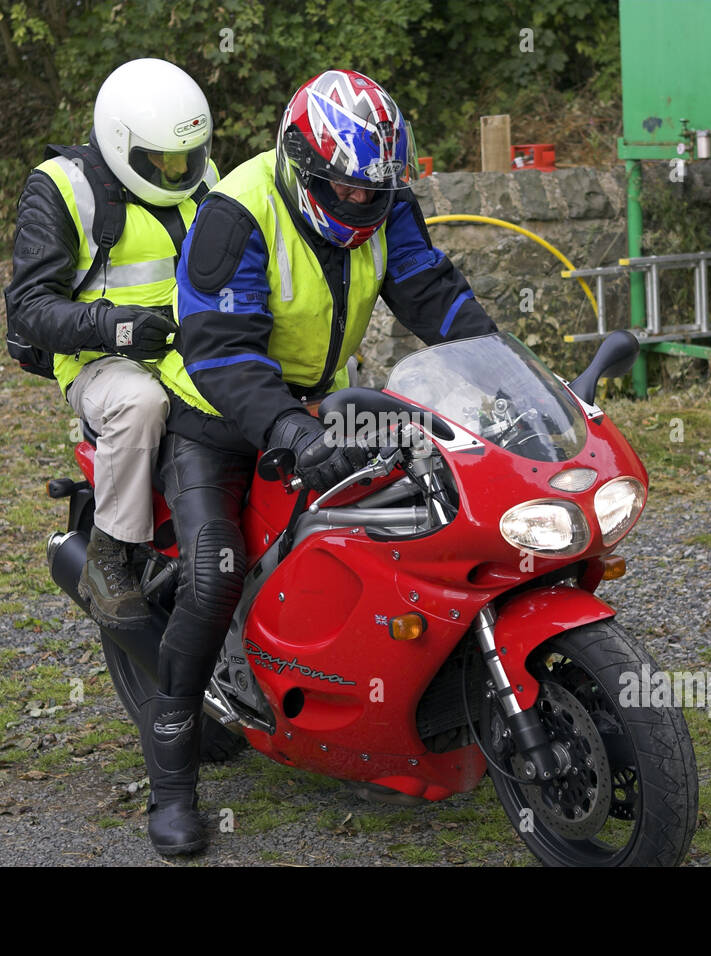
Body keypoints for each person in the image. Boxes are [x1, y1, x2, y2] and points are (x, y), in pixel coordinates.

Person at [143, 69, 498, 855]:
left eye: (377, 193)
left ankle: (388, 710)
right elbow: (219, 351)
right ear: (302, 167)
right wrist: (290, 432)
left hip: (330, 406)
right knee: (214, 570)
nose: (364, 206)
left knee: (414, 527)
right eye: (346, 192)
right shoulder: (237, 213)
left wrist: (498, 367)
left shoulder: (383, 201)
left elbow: (428, 291)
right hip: (217, 416)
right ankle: (171, 785)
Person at [4, 58, 217, 632]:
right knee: (140, 403)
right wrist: (113, 327)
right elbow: (27, 309)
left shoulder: (206, 176)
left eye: (188, 158)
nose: (180, 171)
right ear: (122, 144)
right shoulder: (61, 187)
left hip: (193, 345)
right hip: (100, 360)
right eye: (163, 161)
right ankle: (110, 554)